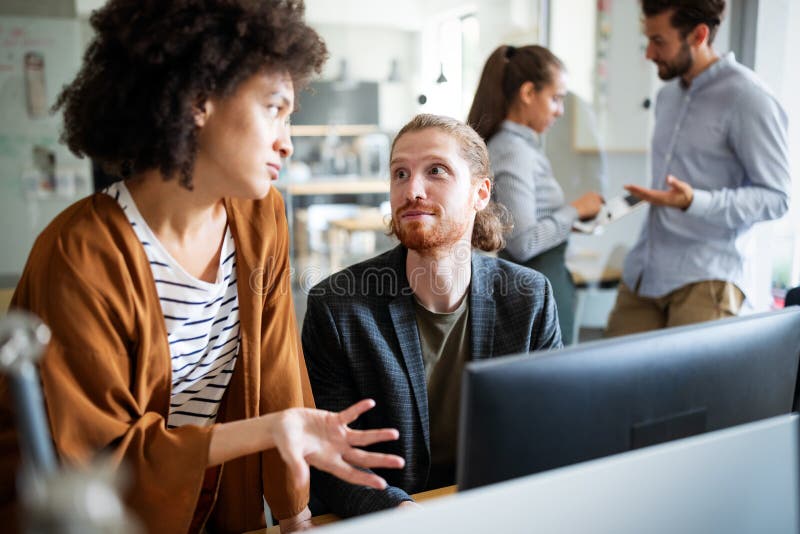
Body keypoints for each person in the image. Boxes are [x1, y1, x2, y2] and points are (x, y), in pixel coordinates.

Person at [0, 1, 405, 533]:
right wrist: (266, 432)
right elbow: (99, 458)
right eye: (272, 109)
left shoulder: (262, 217)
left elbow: (281, 373)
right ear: (197, 100)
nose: (286, 140)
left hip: (213, 503)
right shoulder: (80, 252)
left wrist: (295, 514)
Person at [301, 114, 562, 517]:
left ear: (480, 193)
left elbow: (550, 431)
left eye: (435, 171)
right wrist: (403, 514)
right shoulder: (337, 306)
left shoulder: (529, 297)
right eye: (399, 174)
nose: (412, 190)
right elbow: (331, 461)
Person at [604, 0, 790, 336]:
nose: (649, 53)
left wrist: (695, 201)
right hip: (645, 272)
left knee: (691, 391)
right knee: (608, 385)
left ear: (699, 35)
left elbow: (777, 197)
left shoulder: (749, 98)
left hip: (707, 279)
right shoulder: (666, 97)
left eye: (659, 41)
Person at [467, 45, 604, 345]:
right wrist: (575, 210)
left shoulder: (521, 147)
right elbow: (524, 242)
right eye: (555, 99)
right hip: (534, 290)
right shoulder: (513, 150)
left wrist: (572, 221)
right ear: (528, 93)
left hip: (540, 285)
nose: (560, 110)